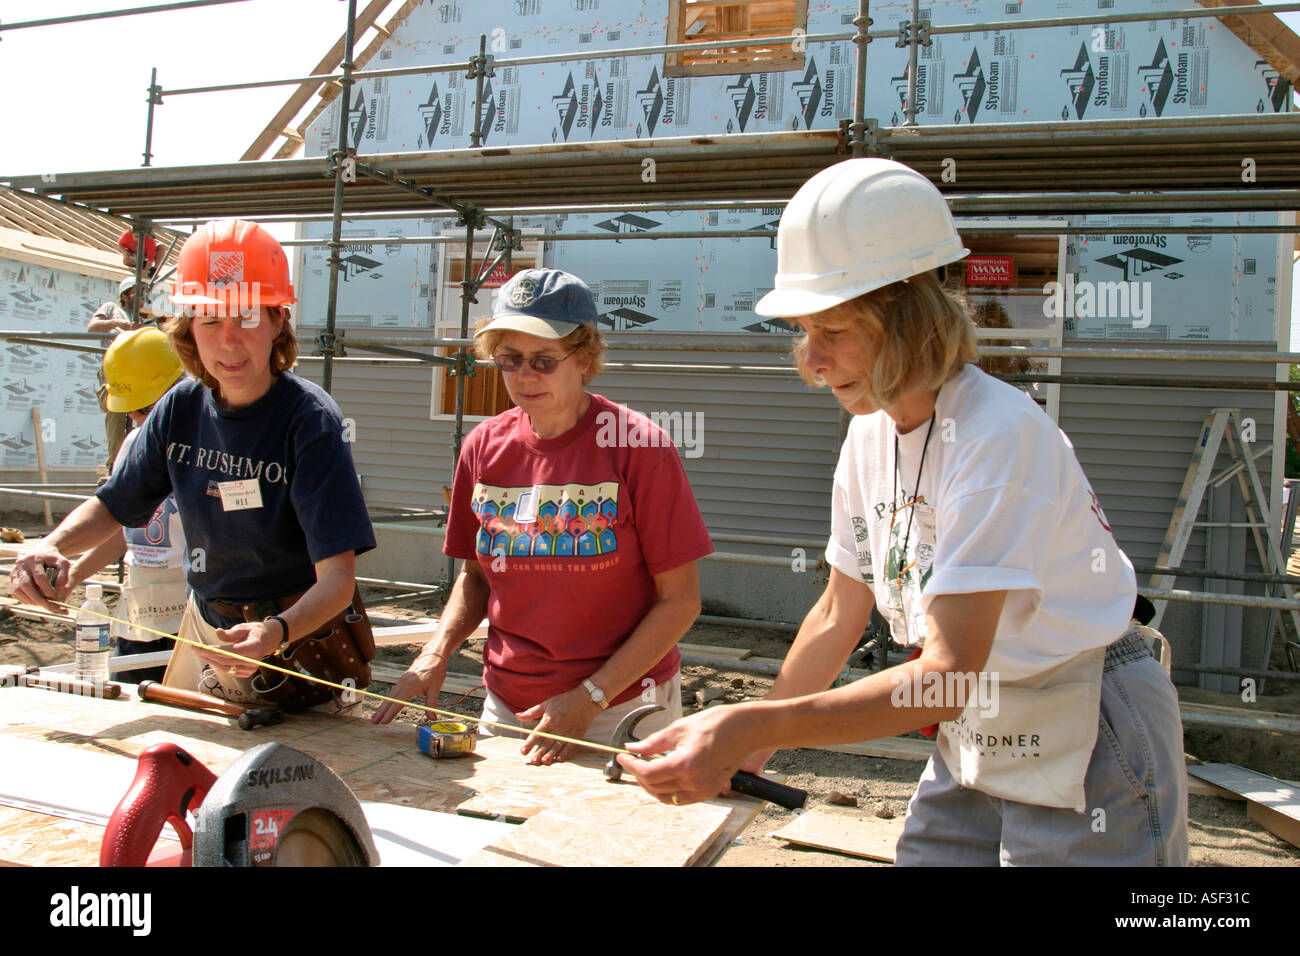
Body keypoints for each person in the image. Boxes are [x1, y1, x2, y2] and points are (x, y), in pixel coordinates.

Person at [615, 159, 1188, 867]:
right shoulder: (869, 435)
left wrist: (743, 723)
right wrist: (752, 751)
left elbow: (946, 670)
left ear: (913, 318)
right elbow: (835, 614)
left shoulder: (996, 434)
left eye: (834, 330)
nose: (812, 360)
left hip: (1083, 708)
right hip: (974, 715)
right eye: (802, 330)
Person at [11, 219, 376, 712]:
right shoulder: (180, 408)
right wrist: (51, 547)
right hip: (210, 625)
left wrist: (275, 632)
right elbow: (117, 504)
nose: (228, 341)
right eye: (210, 320)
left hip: (302, 637)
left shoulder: (309, 422)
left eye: (246, 318)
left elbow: (337, 581)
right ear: (188, 330)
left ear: (276, 322)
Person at [372, 269, 713, 763]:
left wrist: (589, 697)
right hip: (509, 708)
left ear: (585, 359)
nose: (525, 376)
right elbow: (475, 576)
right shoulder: (483, 448)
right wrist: (436, 652)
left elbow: (680, 602)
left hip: (621, 710)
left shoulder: (637, 447)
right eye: (510, 360)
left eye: (544, 360)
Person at [66, 328, 188, 683]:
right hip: (138, 614)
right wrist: (75, 573)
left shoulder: (203, 450)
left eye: (145, 409)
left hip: (190, 618)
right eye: (133, 413)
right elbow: (122, 526)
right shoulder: (134, 444)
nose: (138, 420)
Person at [89, 277, 151, 471]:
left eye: (143, 293)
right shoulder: (111, 309)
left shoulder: (145, 317)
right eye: (137, 292)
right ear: (125, 296)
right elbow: (93, 327)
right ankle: (115, 465)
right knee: (116, 414)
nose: (142, 298)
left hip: (138, 370)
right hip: (115, 366)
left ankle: (140, 463)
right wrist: (120, 324)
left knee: (144, 415)